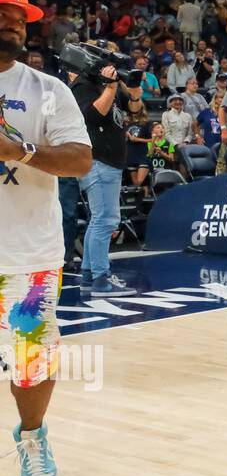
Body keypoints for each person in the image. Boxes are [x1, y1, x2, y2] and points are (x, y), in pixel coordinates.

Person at [0, 0, 94, 476]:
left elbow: (80, 159)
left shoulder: (48, 89)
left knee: (31, 359)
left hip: (29, 254)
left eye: (20, 19)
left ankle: (33, 439)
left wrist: (20, 151)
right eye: (3, 15)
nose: (13, 25)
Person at [71, 42, 145, 298]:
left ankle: (89, 275)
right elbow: (92, 117)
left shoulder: (107, 85)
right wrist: (112, 87)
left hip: (110, 162)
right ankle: (101, 279)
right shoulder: (83, 84)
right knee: (106, 220)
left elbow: (134, 111)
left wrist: (134, 93)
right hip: (97, 160)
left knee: (98, 220)